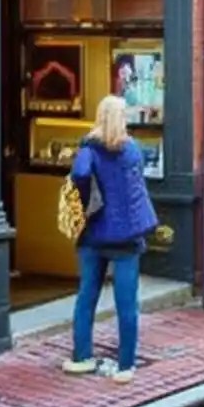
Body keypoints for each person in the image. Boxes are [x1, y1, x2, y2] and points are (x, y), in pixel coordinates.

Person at [62, 95, 159, 384]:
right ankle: (125, 366)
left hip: (94, 235)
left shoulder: (89, 149)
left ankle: (82, 357)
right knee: (127, 303)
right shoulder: (132, 150)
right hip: (127, 238)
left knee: (87, 296)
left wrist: (85, 193)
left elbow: (79, 173)